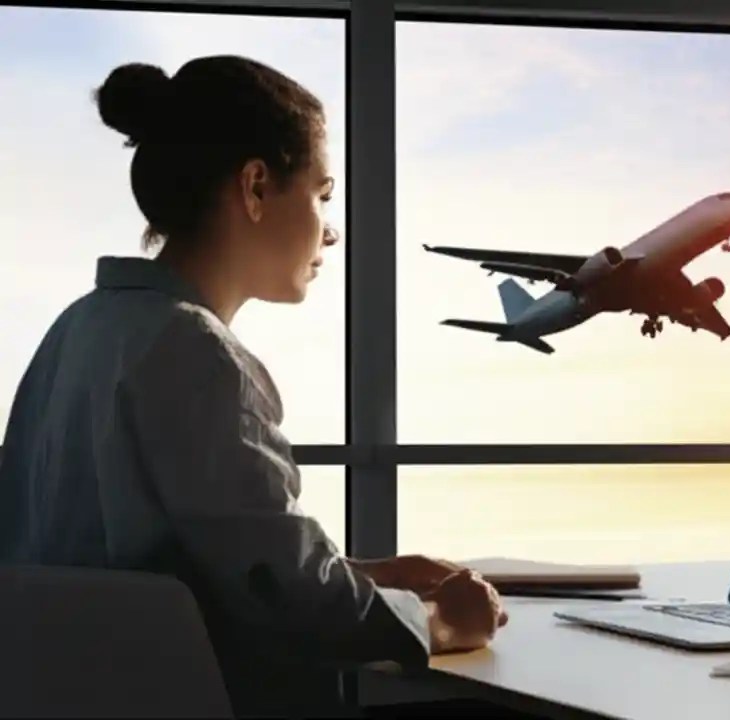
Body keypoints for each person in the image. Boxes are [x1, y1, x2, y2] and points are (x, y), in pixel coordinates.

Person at [0, 55, 516, 718]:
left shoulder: (78, 329)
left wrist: (371, 573)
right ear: (255, 187)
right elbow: (292, 604)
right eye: (322, 194)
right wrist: (442, 622)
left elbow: (195, 570)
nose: (331, 230)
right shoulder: (196, 353)